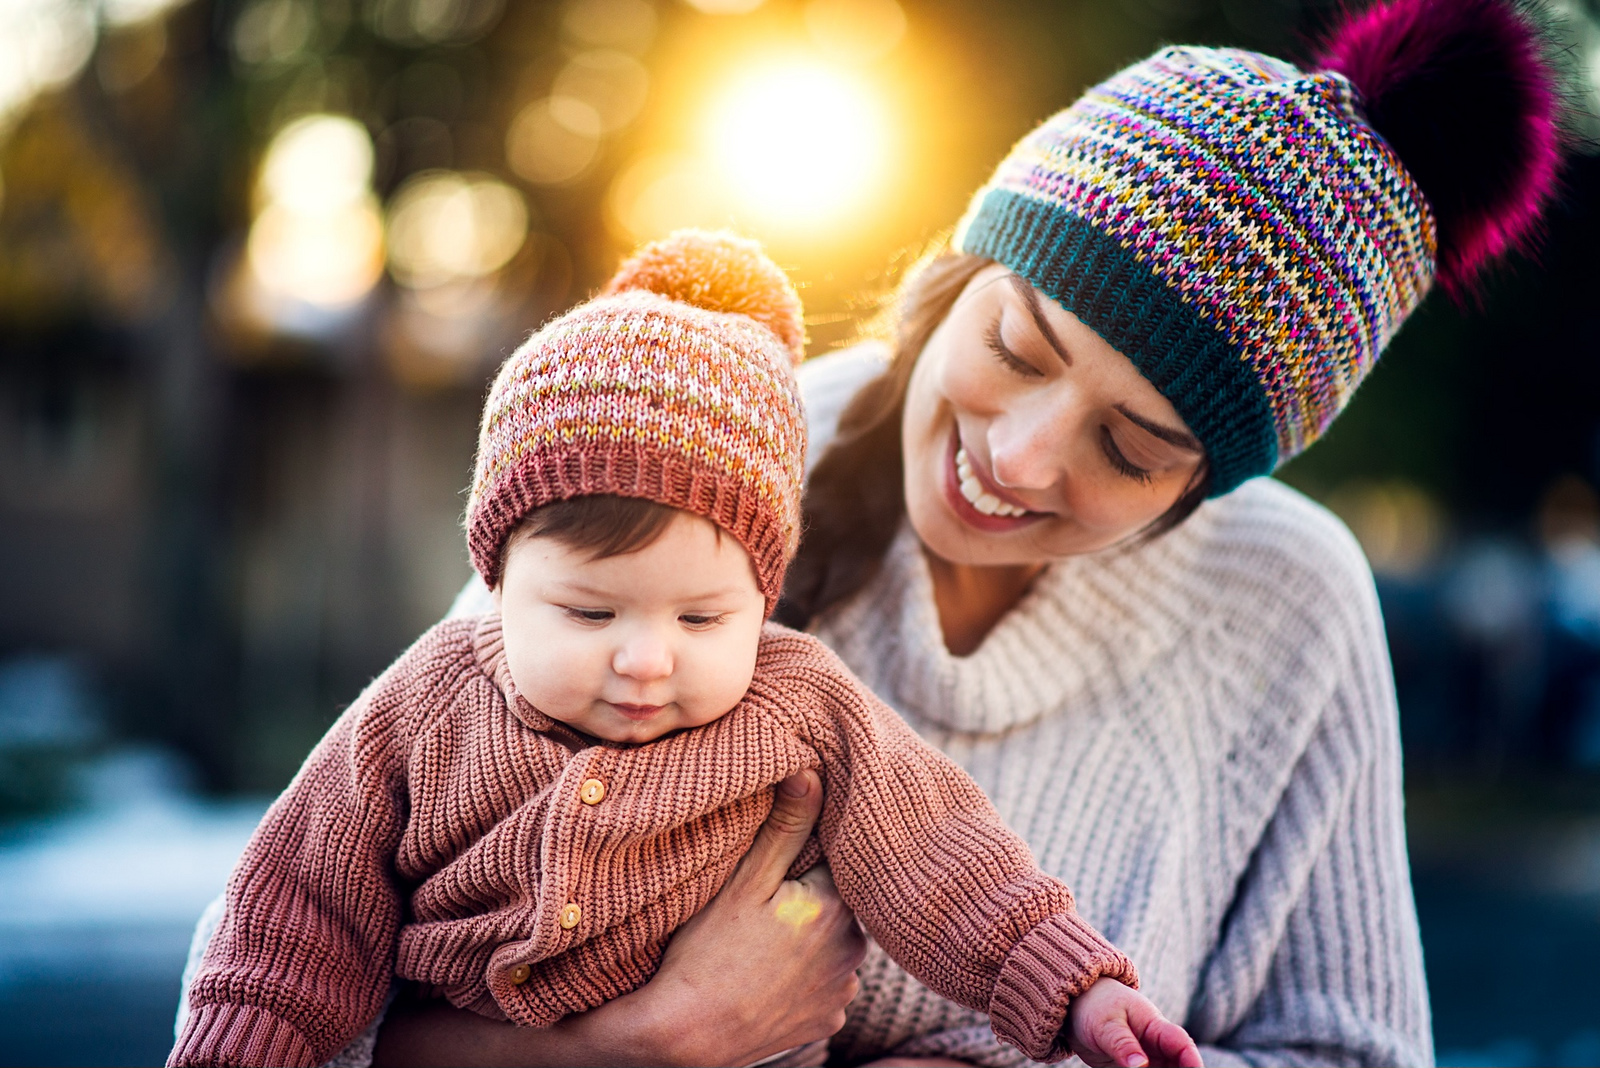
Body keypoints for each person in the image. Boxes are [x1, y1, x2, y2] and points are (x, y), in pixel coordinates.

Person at [178, 0, 1564, 1063]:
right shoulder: (685, 456)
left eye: (1133, 448)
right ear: (955, 276)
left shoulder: (1289, 603)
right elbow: (330, 976)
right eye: (1018, 346)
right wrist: (649, 1048)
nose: (1017, 456)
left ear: (1208, 487)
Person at [170, 231, 1202, 1068]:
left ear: (763, 595)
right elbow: (296, 912)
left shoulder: (798, 701)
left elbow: (942, 856)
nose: (646, 660)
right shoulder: (425, 703)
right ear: (495, 581)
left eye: (702, 619)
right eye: (589, 614)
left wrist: (1070, 985)